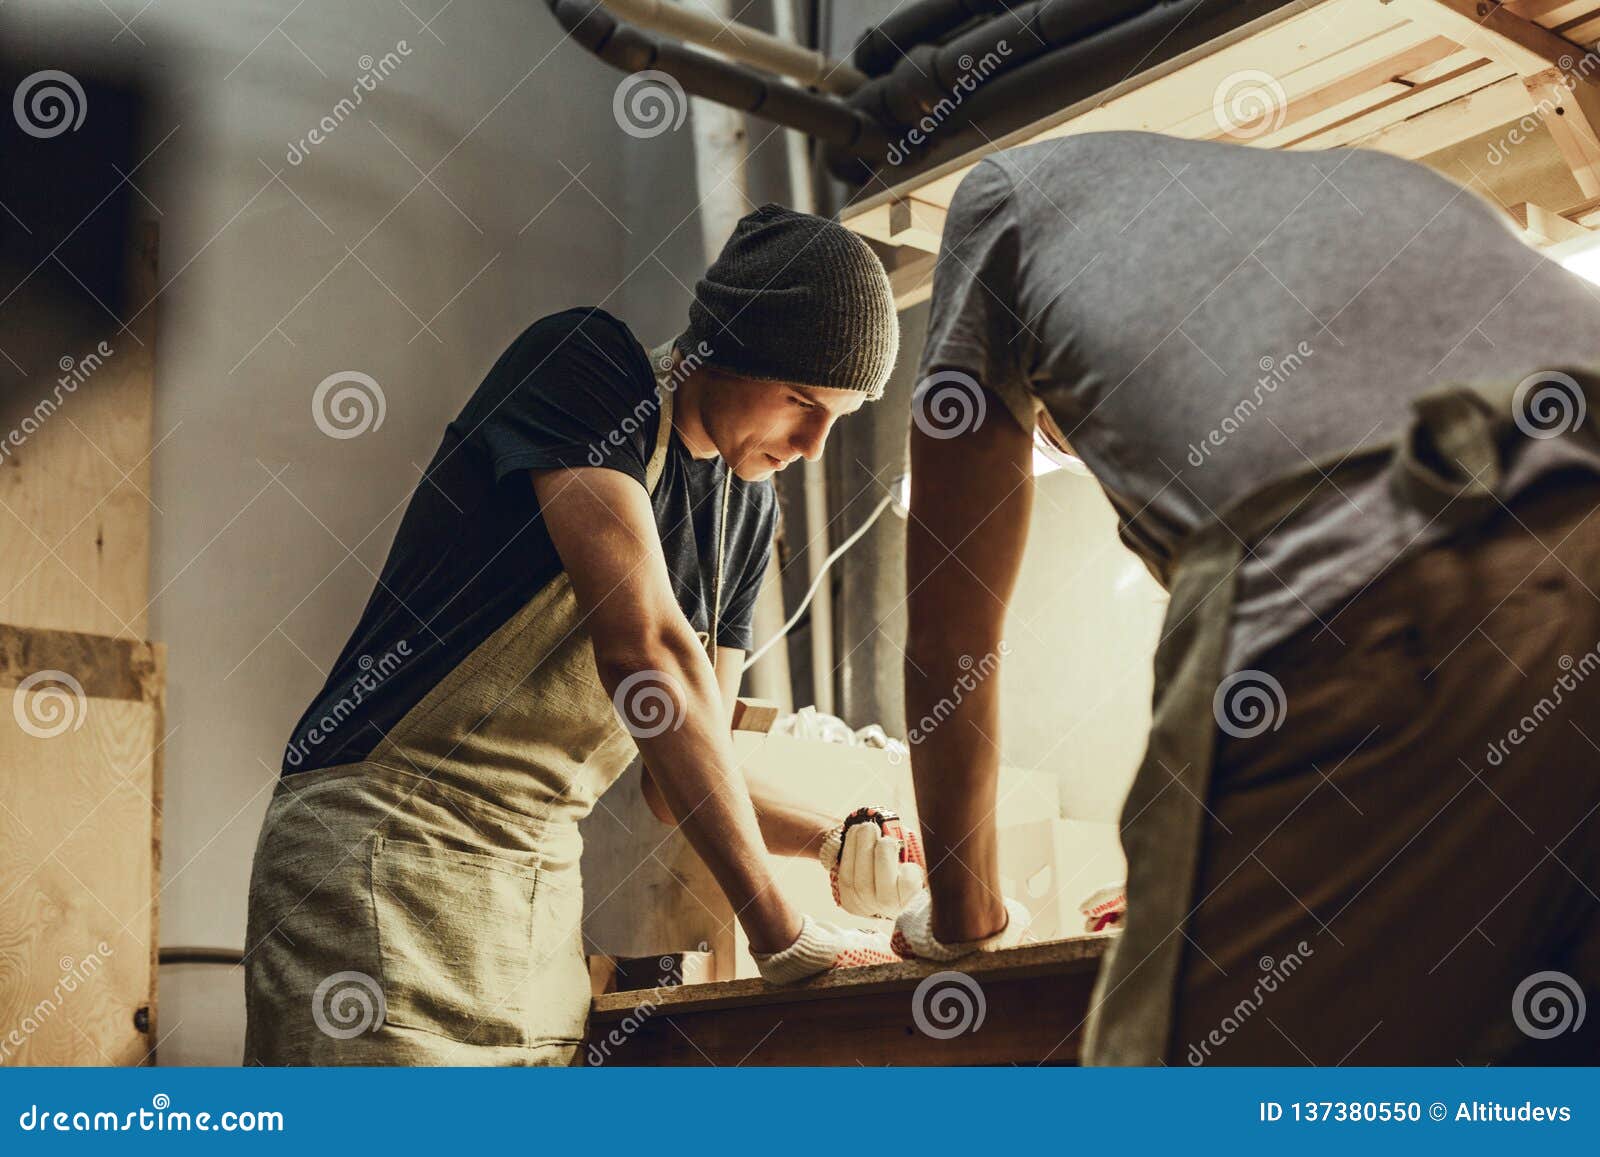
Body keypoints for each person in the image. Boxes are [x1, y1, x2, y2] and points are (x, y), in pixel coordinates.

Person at [890, 131, 1600, 1064]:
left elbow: (950, 643)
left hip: (1395, 566)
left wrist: (965, 917)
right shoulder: (1338, 190)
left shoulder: (996, 200)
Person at [243, 204, 927, 1065]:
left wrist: (832, 834)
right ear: (725, 345)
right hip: (386, 854)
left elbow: (685, 774)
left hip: (533, 898)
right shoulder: (586, 370)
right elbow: (645, 653)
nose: (815, 445)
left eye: (843, 412)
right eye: (800, 400)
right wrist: (779, 930)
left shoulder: (743, 515)